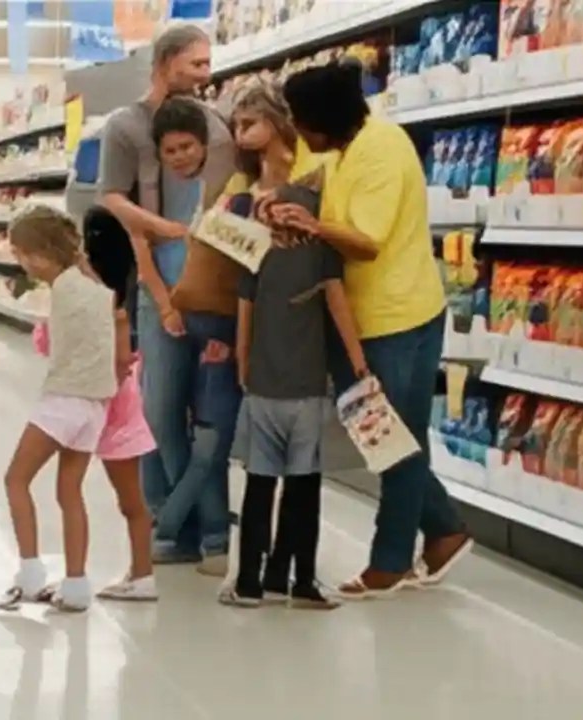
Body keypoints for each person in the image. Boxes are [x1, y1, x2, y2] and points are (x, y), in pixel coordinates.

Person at [266, 61, 473, 598]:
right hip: (370, 314)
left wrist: (311, 225)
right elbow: (307, 173)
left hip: (394, 318)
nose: (295, 128)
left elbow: (367, 239)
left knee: (392, 442)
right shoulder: (345, 141)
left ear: (321, 121)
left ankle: (389, 563)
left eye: (298, 118)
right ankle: (445, 531)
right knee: (390, 436)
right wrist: (280, 199)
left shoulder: (381, 150)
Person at [211, 83, 370, 611]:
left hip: (269, 384)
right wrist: (357, 362)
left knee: (263, 486)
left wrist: (242, 355)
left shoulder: (258, 245)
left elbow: (247, 303)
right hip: (303, 385)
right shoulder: (320, 246)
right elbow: (336, 299)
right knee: (303, 487)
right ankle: (296, 579)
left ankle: (254, 581)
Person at [98, 23, 238, 570]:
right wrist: (163, 236)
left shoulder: (214, 126)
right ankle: (182, 520)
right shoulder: (126, 127)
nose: (207, 74)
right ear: (166, 61)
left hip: (209, 292)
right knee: (158, 412)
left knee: (205, 417)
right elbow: (115, 200)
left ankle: (194, 528)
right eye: (197, 64)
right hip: (155, 288)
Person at [0, 206, 121, 613]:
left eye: (20, 254)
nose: (22, 263)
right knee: (70, 492)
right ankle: (76, 584)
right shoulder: (94, 288)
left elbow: (35, 310)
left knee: (16, 480)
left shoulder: (62, 289)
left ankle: (30, 576)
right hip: (95, 405)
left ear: (38, 254)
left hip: (64, 400)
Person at [29, 217, 160, 602]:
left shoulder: (86, 303)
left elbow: (60, 349)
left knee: (76, 493)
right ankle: (137, 573)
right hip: (117, 412)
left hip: (100, 410)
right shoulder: (112, 301)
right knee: (127, 500)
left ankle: (89, 577)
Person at [145, 97, 242, 562]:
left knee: (209, 438)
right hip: (186, 317)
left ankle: (194, 534)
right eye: (171, 150)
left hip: (222, 327)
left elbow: (237, 267)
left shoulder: (229, 183)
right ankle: (199, 532)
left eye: (188, 146)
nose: (181, 156)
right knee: (174, 423)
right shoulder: (195, 189)